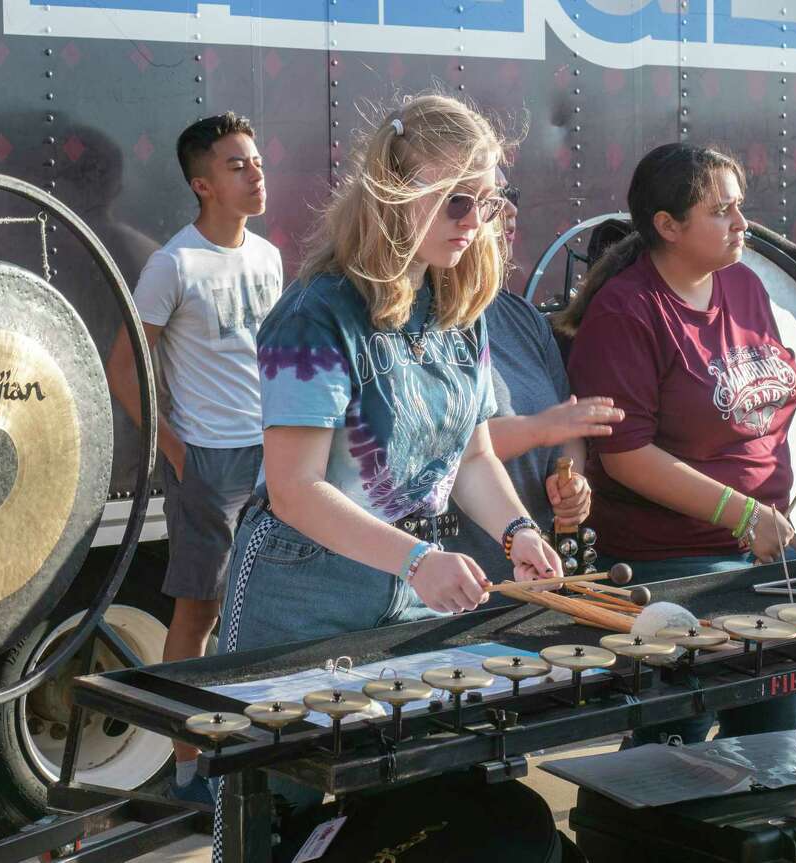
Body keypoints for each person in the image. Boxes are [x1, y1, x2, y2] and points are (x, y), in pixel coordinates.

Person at [217, 94, 562, 664]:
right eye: (456, 201)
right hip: (302, 589)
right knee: (279, 752)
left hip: (411, 576)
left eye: (489, 201)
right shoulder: (316, 312)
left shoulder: (459, 310)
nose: (475, 222)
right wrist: (418, 561)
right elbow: (295, 490)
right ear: (391, 191)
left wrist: (518, 531)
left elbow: (472, 459)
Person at [559, 142, 796, 743]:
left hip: (760, 551)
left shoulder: (743, 284)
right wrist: (743, 511)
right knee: (674, 750)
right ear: (667, 226)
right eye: (721, 211)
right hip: (672, 562)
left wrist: (766, 520)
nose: (742, 225)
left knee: (770, 741)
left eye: (739, 207)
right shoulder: (628, 310)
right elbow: (624, 456)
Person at [105, 112, 282, 803]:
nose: (255, 172)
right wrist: (174, 449)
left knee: (265, 613)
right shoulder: (173, 263)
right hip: (208, 463)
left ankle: (252, 757)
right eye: (238, 165)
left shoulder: (266, 256)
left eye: (257, 160)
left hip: (275, 460)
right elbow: (126, 366)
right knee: (197, 617)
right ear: (202, 184)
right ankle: (189, 770)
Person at [442, 167, 624, 579]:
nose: (507, 210)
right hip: (452, 579)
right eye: (486, 197)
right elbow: (449, 450)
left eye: (510, 194)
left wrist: (572, 484)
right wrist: (541, 428)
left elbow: (566, 430)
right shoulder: (421, 323)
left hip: (531, 572)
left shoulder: (521, 316)